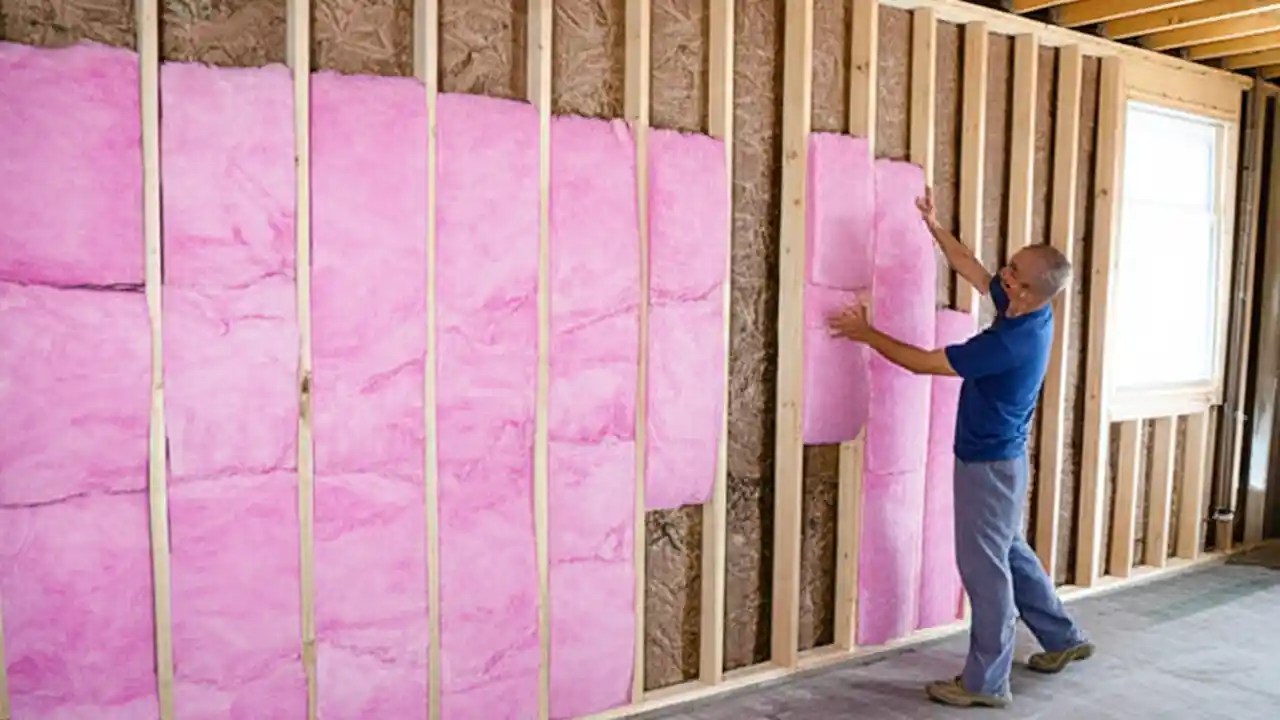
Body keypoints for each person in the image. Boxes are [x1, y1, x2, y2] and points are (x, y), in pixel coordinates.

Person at [826, 188, 1094, 709]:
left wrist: (865, 332)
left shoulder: (1008, 343)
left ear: (1031, 292)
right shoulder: (1026, 309)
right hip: (1002, 462)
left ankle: (986, 683)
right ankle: (1064, 638)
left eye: (1014, 271)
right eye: (1011, 263)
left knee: (983, 569)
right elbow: (972, 268)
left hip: (987, 465)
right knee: (1008, 551)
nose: (1003, 272)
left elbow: (925, 363)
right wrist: (933, 226)